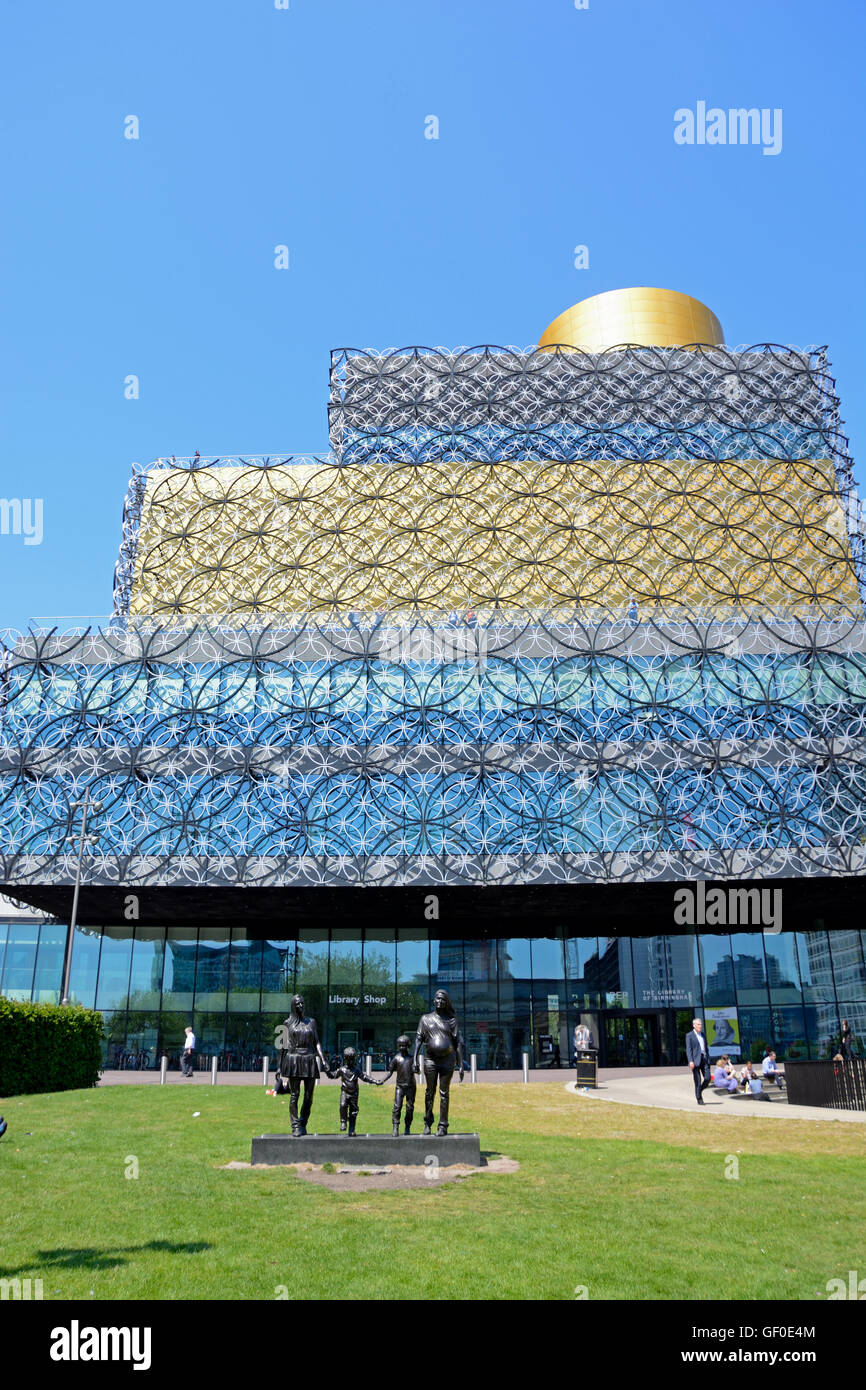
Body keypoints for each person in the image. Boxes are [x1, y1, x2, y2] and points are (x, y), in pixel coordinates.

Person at [413, 989, 466, 1136]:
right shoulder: (425, 1019)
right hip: (430, 1060)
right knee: (430, 1093)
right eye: (438, 998)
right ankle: (427, 1122)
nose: (440, 1001)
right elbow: (418, 1039)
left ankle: (443, 1125)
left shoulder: (452, 1020)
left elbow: (458, 1043)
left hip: (448, 1061)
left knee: (444, 1093)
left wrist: (461, 1065)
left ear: (446, 1002)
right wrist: (415, 1059)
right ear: (434, 1000)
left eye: (443, 999)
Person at [276, 994, 330, 1137]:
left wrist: (323, 1060)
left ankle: (302, 1122)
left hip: (309, 1059)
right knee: (295, 1095)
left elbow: (316, 1042)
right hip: (294, 1059)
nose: (301, 1006)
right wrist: (279, 1066)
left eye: (302, 1003)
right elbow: (283, 1046)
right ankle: (295, 1126)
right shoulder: (287, 1023)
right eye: (298, 1004)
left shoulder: (311, 1022)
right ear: (293, 1006)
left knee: (309, 1096)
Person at [328, 1046, 379, 1136]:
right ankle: (343, 1121)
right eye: (349, 1059)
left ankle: (352, 1129)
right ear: (345, 1059)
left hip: (354, 1093)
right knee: (343, 1105)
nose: (351, 1062)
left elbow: (364, 1077)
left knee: (353, 1112)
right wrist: (327, 1070)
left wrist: (375, 1081)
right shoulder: (342, 1070)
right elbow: (333, 1075)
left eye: (352, 1059)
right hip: (345, 1092)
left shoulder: (356, 1070)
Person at [380, 1034, 418, 1136]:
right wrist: (382, 1080)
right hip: (400, 1087)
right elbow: (390, 1072)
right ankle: (395, 1127)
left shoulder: (412, 1058)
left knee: (410, 1108)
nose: (402, 1048)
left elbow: (417, 1071)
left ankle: (407, 1127)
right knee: (397, 1107)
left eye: (404, 1045)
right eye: (400, 1045)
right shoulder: (396, 1058)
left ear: (408, 1046)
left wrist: (417, 1070)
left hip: (411, 1087)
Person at [686, 1017, 711, 1104]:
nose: (700, 1026)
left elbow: (706, 1047)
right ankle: (699, 1099)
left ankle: (699, 1091)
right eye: (698, 1024)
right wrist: (690, 1061)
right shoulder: (689, 1036)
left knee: (708, 1078)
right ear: (694, 1025)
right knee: (698, 1081)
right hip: (695, 1061)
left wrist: (708, 1058)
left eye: (701, 1024)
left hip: (704, 1059)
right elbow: (688, 1050)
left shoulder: (703, 1035)